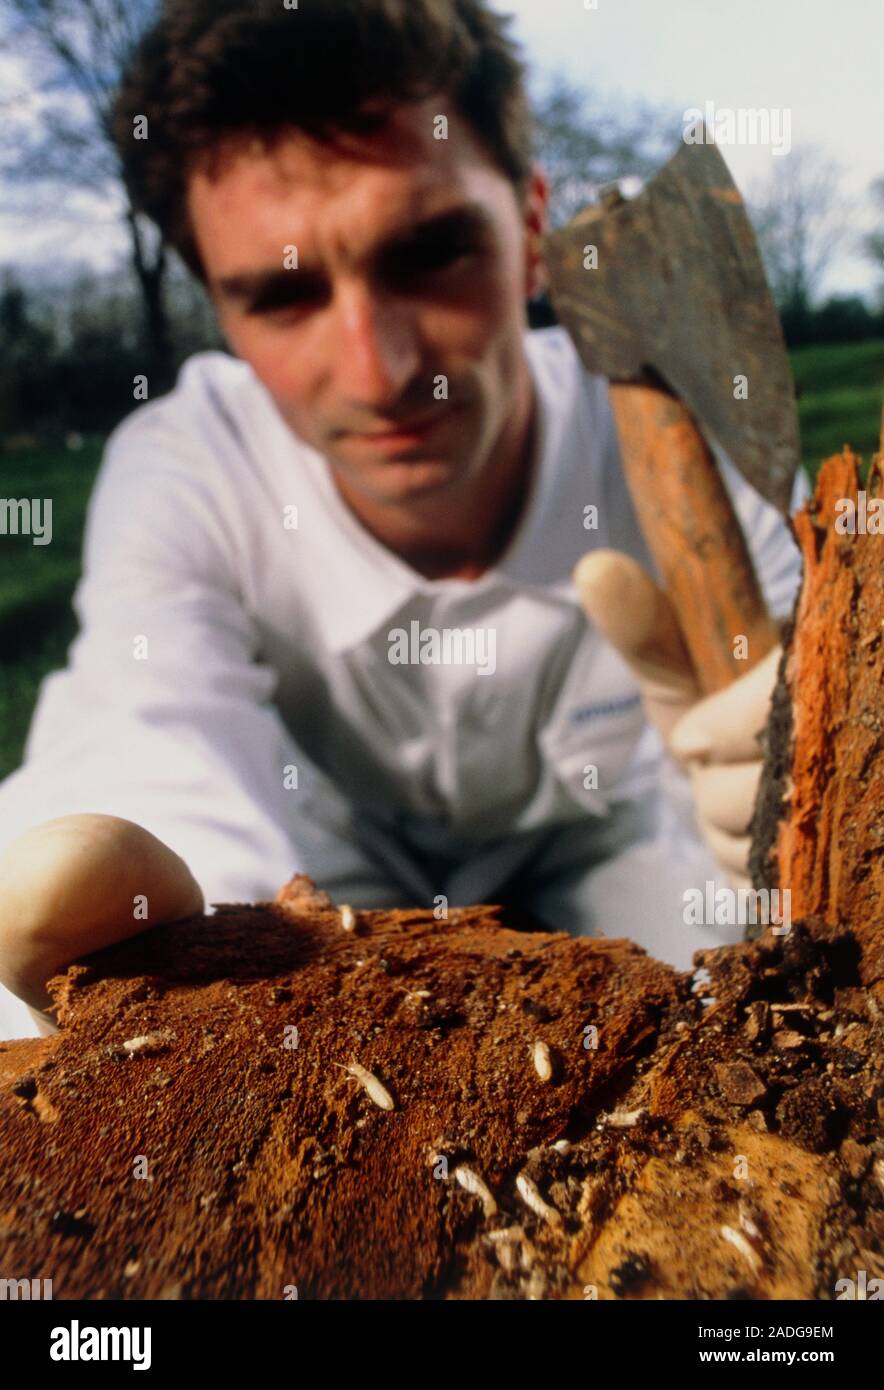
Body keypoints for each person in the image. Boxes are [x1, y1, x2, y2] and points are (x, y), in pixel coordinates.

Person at [0, 0, 806, 1037]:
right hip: (328, 853)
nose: (379, 372)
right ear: (217, 307)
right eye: (282, 298)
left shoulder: (689, 430)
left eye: (428, 254)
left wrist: (788, 793)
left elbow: (788, 728)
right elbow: (149, 732)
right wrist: (149, 919)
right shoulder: (187, 466)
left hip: (612, 838)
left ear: (528, 229)